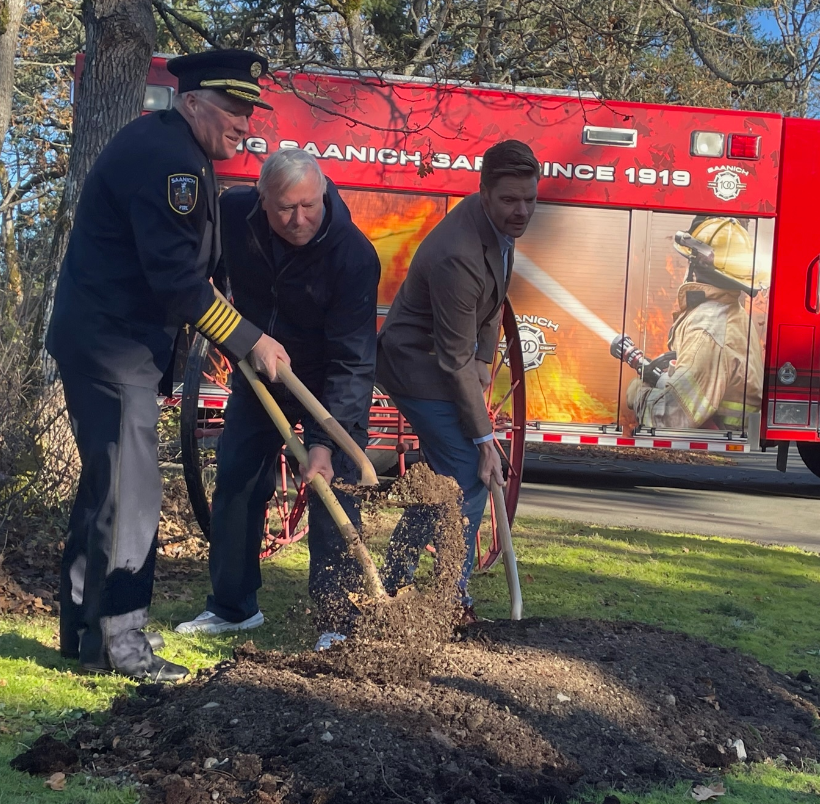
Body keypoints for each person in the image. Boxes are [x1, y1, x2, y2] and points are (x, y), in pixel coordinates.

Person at [46, 50, 289, 682]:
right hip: (114, 349)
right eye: (233, 109)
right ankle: (122, 644)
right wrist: (249, 341)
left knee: (109, 490)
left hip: (104, 343)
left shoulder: (178, 151)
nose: (244, 123)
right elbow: (180, 282)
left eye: (249, 110)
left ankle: (81, 635)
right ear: (192, 101)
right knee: (132, 496)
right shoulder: (172, 161)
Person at [175, 149, 380, 651]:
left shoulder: (352, 256)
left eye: (309, 205)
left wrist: (327, 444)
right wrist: (234, 333)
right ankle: (233, 606)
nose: (299, 220)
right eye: (285, 208)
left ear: (324, 191)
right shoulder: (234, 217)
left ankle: (339, 620)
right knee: (238, 480)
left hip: (325, 382)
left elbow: (353, 361)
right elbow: (195, 267)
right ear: (262, 201)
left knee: (335, 495)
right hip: (256, 371)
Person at [376, 140, 540, 621]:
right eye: (511, 199)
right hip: (415, 365)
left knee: (444, 476)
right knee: (469, 470)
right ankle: (452, 598)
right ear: (484, 192)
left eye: (530, 199)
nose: (522, 211)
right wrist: (484, 437)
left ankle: (395, 582)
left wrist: (485, 369)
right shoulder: (458, 255)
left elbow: (491, 309)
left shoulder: (496, 230)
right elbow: (451, 360)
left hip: (445, 362)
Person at [627, 216, 766, 431]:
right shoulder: (733, 314)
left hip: (717, 444)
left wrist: (638, 393)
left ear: (697, 266)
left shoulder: (708, 328)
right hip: (724, 443)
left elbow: (671, 419)